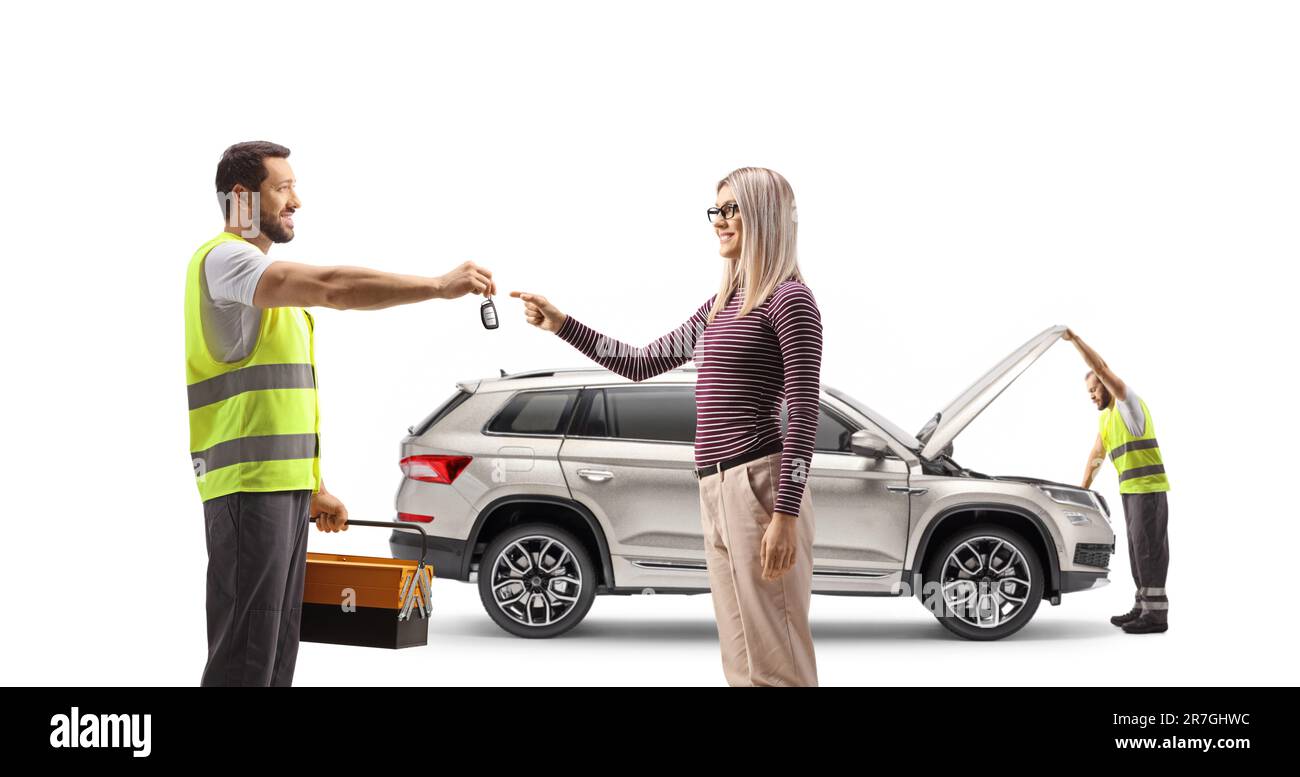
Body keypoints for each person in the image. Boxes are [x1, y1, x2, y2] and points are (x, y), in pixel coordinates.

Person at [186, 141, 497, 685]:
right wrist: (436, 287)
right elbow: (335, 288)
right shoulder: (226, 259)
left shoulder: (257, 285)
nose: (296, 200)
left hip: (276, 489)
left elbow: (278, 404)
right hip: (246, 490)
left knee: (275, 646)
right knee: (247, 653)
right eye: (282, 187)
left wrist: (313, 486)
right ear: (241, 198)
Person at [511, 167, 822, 685]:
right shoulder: (722, 305)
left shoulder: (790, 300)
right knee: (742, 662)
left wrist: (786, 514)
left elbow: (805, 410)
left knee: (778, 659)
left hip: (761, 487)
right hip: (715, 486)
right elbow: (640, 362)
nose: (719, 222)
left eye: (732, 210)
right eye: (715, 210)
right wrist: (563, 325)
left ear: (765, 216)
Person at [1067, 328, 1171, 635]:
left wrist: (1075, 341)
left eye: (1094, 390)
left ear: (1107, 386)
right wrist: (1081, 491)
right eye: (1089, 393)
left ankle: (1156, 617)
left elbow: (1101, 367)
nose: (1092, 397)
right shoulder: (1106, 419)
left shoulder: (1128, 404)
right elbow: (1096, 455)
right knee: (1139, 550)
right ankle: (1142, 607)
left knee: (1150, 549)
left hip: (1149, 490)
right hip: (1131, 492)